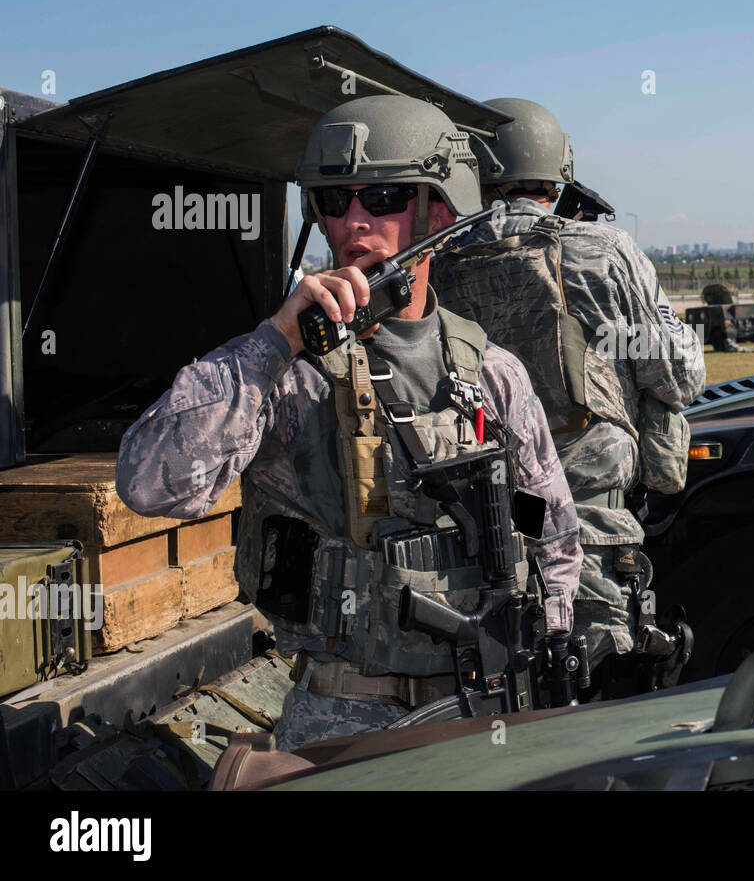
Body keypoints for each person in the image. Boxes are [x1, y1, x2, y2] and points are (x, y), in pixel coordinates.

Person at [116, 95, 583, 750]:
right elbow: (151, 483)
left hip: (481, 715)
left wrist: (545, 637)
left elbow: (549, 526)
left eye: (383, 196)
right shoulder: (287, 373)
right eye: (336, 202)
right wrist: (275, 341)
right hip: (339, 723)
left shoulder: (492, 373)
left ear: (439, 209)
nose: (355, 221)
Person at [435, 98, 705, 695]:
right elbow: (679, 379)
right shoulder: (601, 251)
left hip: (476, 524)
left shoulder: (433, 262)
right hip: (589, 528)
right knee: (598, 696)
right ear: (558, 173)